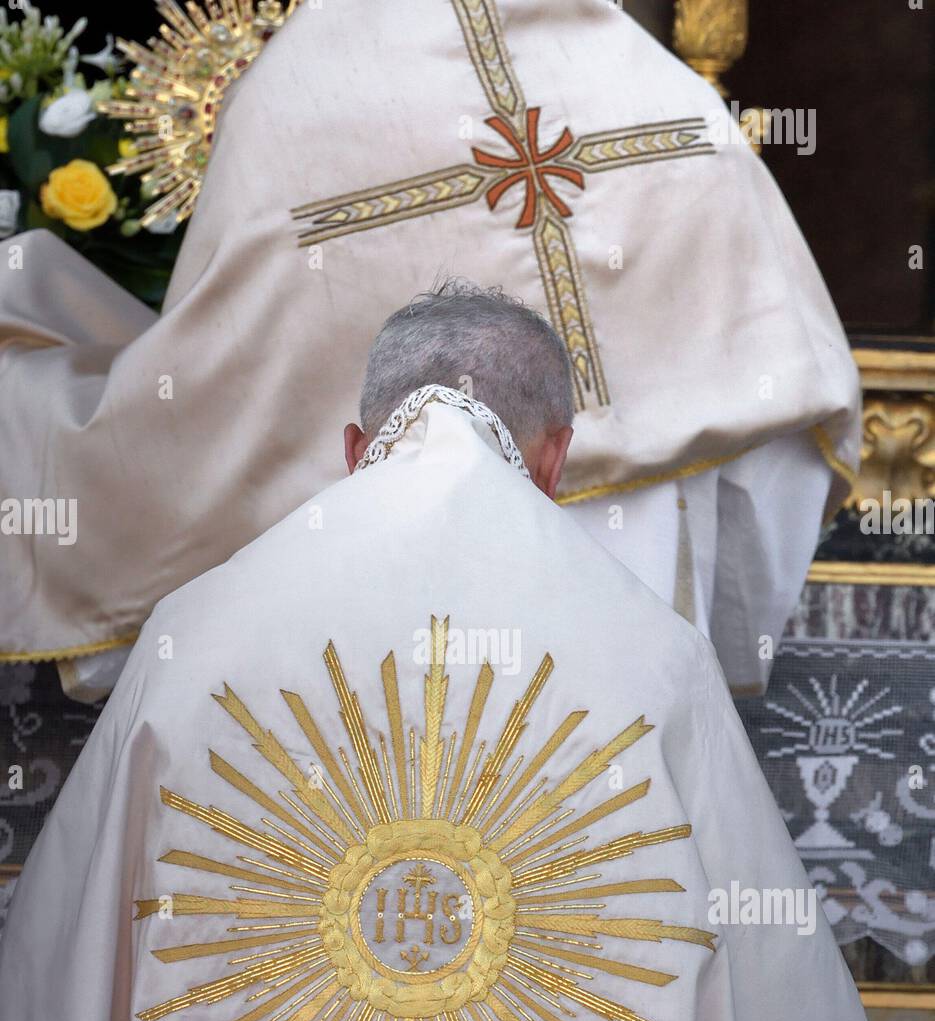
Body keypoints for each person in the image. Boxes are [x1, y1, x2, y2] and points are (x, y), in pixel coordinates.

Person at [0, 285, 907, 1021]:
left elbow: (71, 978)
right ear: (555, 459)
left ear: (354, 446)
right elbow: (767, 1014)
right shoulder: (648, 654)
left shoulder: (194, 631)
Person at [0, 0, 857, 701]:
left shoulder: (296, 94)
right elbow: (781, 444)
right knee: (606, 857)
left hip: (359, 609)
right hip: (625, 625)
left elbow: (213, 395)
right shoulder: (655, 88)